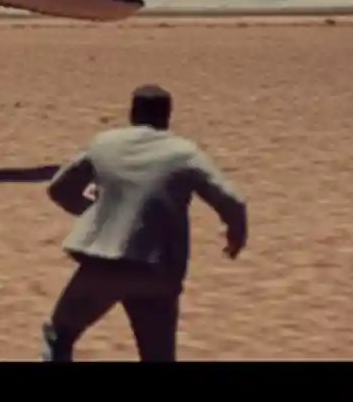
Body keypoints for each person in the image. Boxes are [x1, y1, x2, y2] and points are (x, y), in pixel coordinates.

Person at [40, 84, 248, 362]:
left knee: (59, 335)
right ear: (167, 115)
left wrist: (92, 209)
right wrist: (236, 235)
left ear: (132, 113)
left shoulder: (104, 143)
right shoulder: (184, 152)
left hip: (104, 265)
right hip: (158, 270)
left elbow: (59, 188)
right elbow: (231, 199)